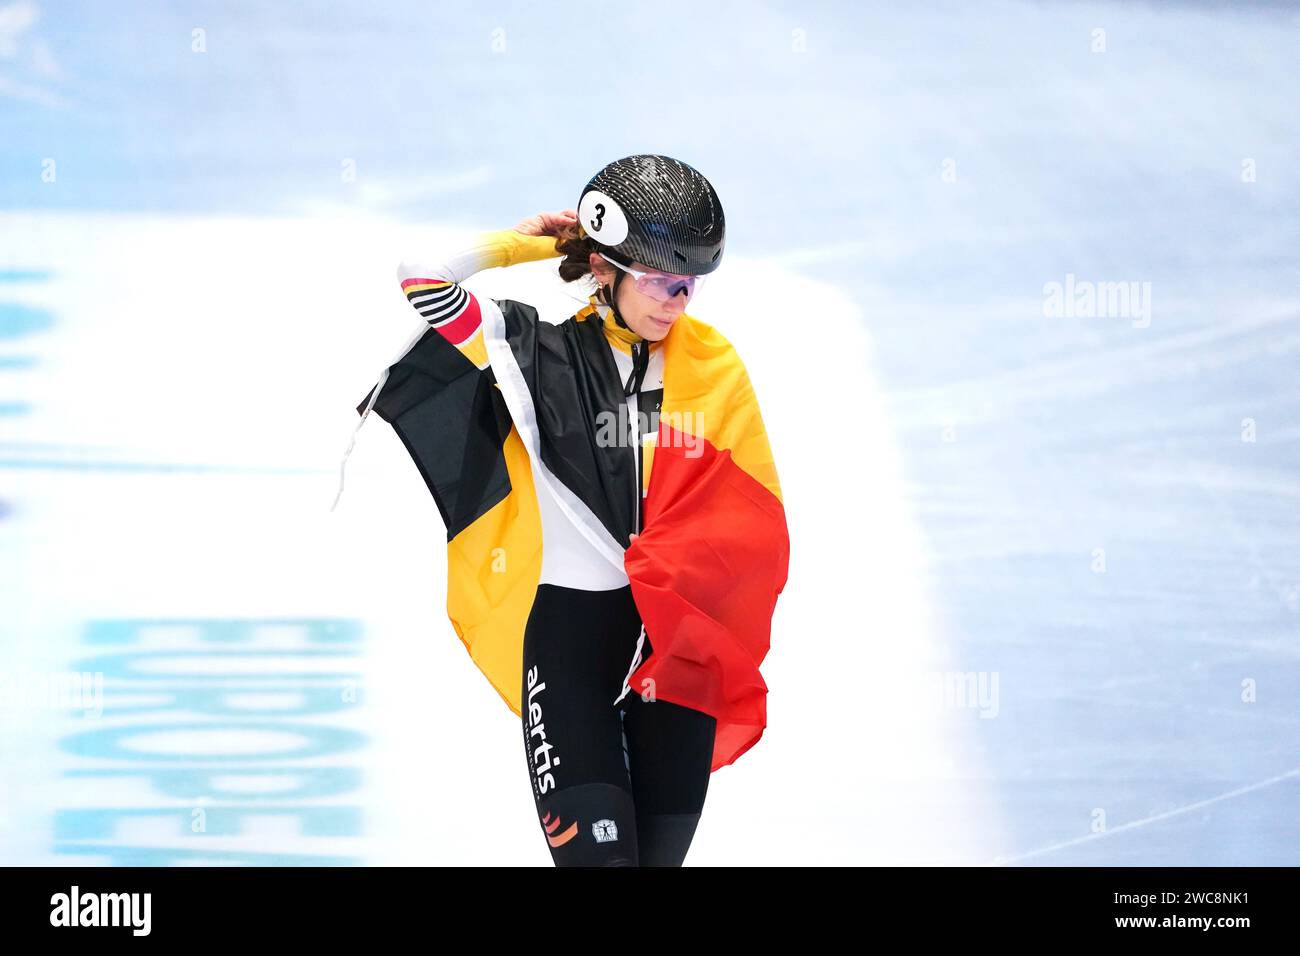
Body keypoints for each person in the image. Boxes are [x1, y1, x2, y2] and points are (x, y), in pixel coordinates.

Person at [335, 154, 789, 866]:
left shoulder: (715, 369)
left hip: (676, 652)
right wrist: (537, 244)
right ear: (607, 265)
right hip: (573, 645)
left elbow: (744, 527)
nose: (677, 299)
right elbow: (422, 276)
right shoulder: (534, 354)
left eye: (691, 283)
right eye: (663, 280)